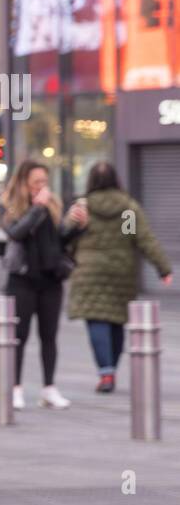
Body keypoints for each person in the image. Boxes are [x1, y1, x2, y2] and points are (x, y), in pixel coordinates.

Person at [66, 162, 173, 393]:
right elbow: (141, 239)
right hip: (121, 271)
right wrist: (163, 268)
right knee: (116, 320)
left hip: (89, 271)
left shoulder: (82, 207)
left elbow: (67, 237)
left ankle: (106, 373)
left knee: (96, 319)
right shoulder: (126, 209)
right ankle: (111, 367)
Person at [0, 161, 87, 410]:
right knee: (19, 336)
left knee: (49, 336)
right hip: (22, 279)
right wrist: (37, 207)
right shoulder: (9, 205)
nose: (41, 187)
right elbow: (16, 233)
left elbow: (59, 239)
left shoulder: (53, 205)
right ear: (23, 183)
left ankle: (49, 388)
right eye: (36, 182)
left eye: (44, 182)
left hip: (50, 279)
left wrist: (78, 227)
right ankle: (15, 388)